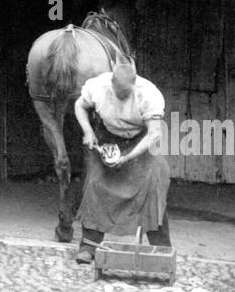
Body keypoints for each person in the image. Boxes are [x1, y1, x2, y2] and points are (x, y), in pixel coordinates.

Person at [73, 56, 171, 264]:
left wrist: (128, 157)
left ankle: (160, 248)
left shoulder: (149, 94)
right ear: (111, 83)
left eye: (125, 94)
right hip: (108, 137)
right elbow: (79, 105)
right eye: (117, 92)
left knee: (154, 184)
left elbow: (154, 135)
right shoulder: (98, 86)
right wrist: (88, 132)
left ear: (134, 85)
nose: (120, 96)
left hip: (141, 140)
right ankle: (88, 247)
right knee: (94, 183)